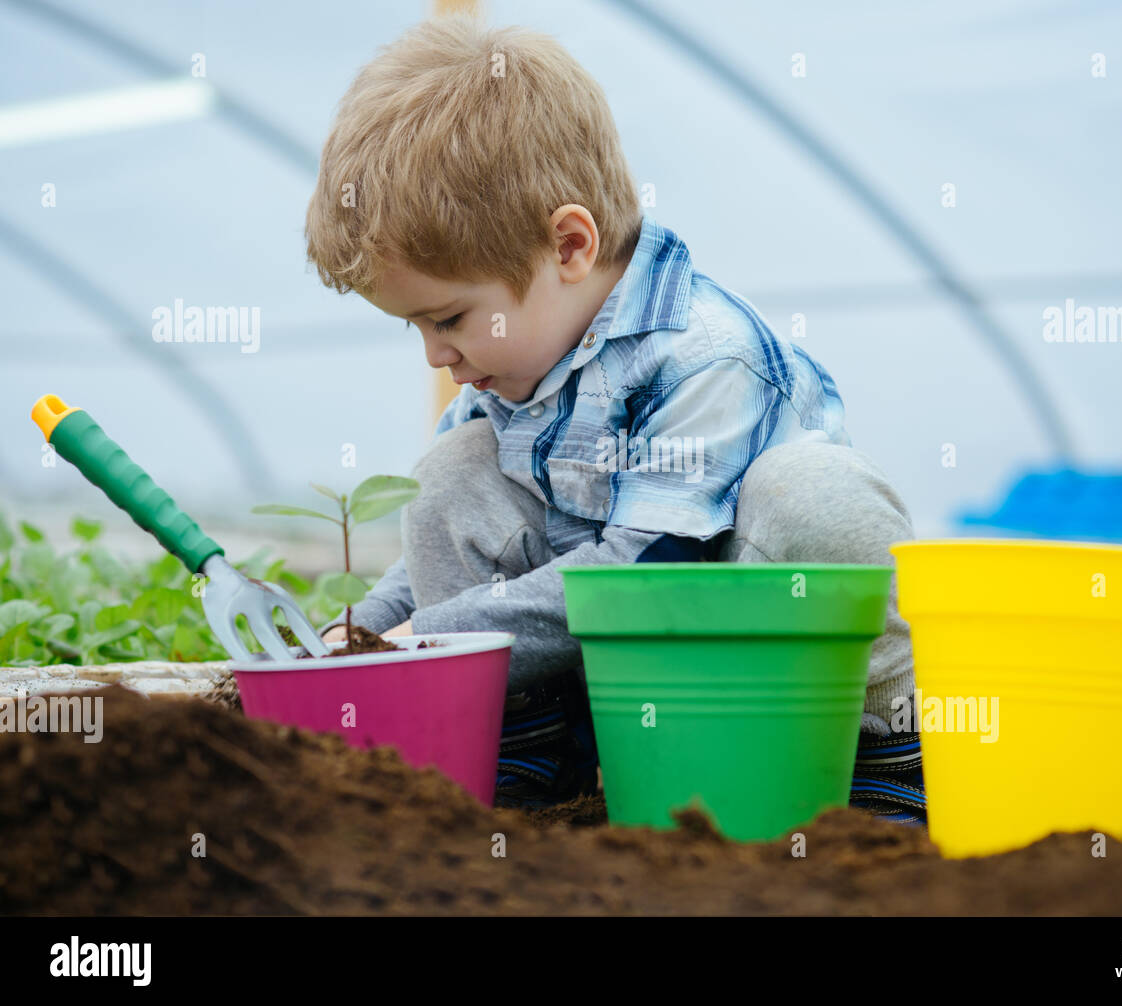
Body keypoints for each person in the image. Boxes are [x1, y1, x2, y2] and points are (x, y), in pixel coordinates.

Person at [304, 15, 924, 824]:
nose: (435, 355)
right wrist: (355, 636)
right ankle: (526, 755)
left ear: (569, 245)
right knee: (454, 473)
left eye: (449, 319)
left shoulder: (706, 357)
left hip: (771, 677)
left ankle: (881, 753)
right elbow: (427, 569)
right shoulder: (512, 370)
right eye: (414, 326)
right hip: (630, 697)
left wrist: (426, 639)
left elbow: (635, 574)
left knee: (815, 494)